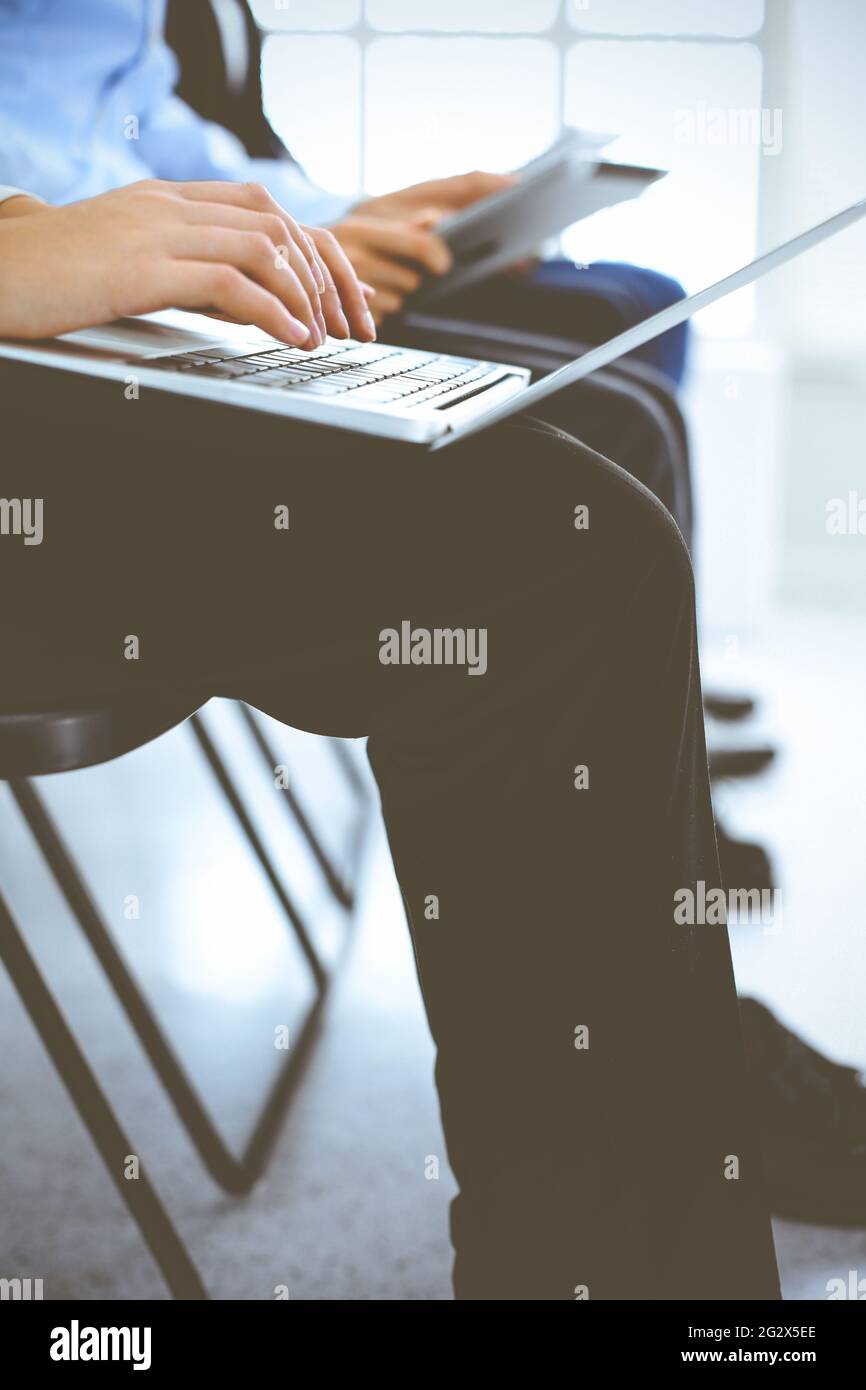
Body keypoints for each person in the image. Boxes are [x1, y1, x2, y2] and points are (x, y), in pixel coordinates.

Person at [0, 7, 783, 1297]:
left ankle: (669, 1081)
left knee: (588, 480)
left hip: (90, 309)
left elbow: (128, 113)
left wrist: (303, 217)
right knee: (560, 556)